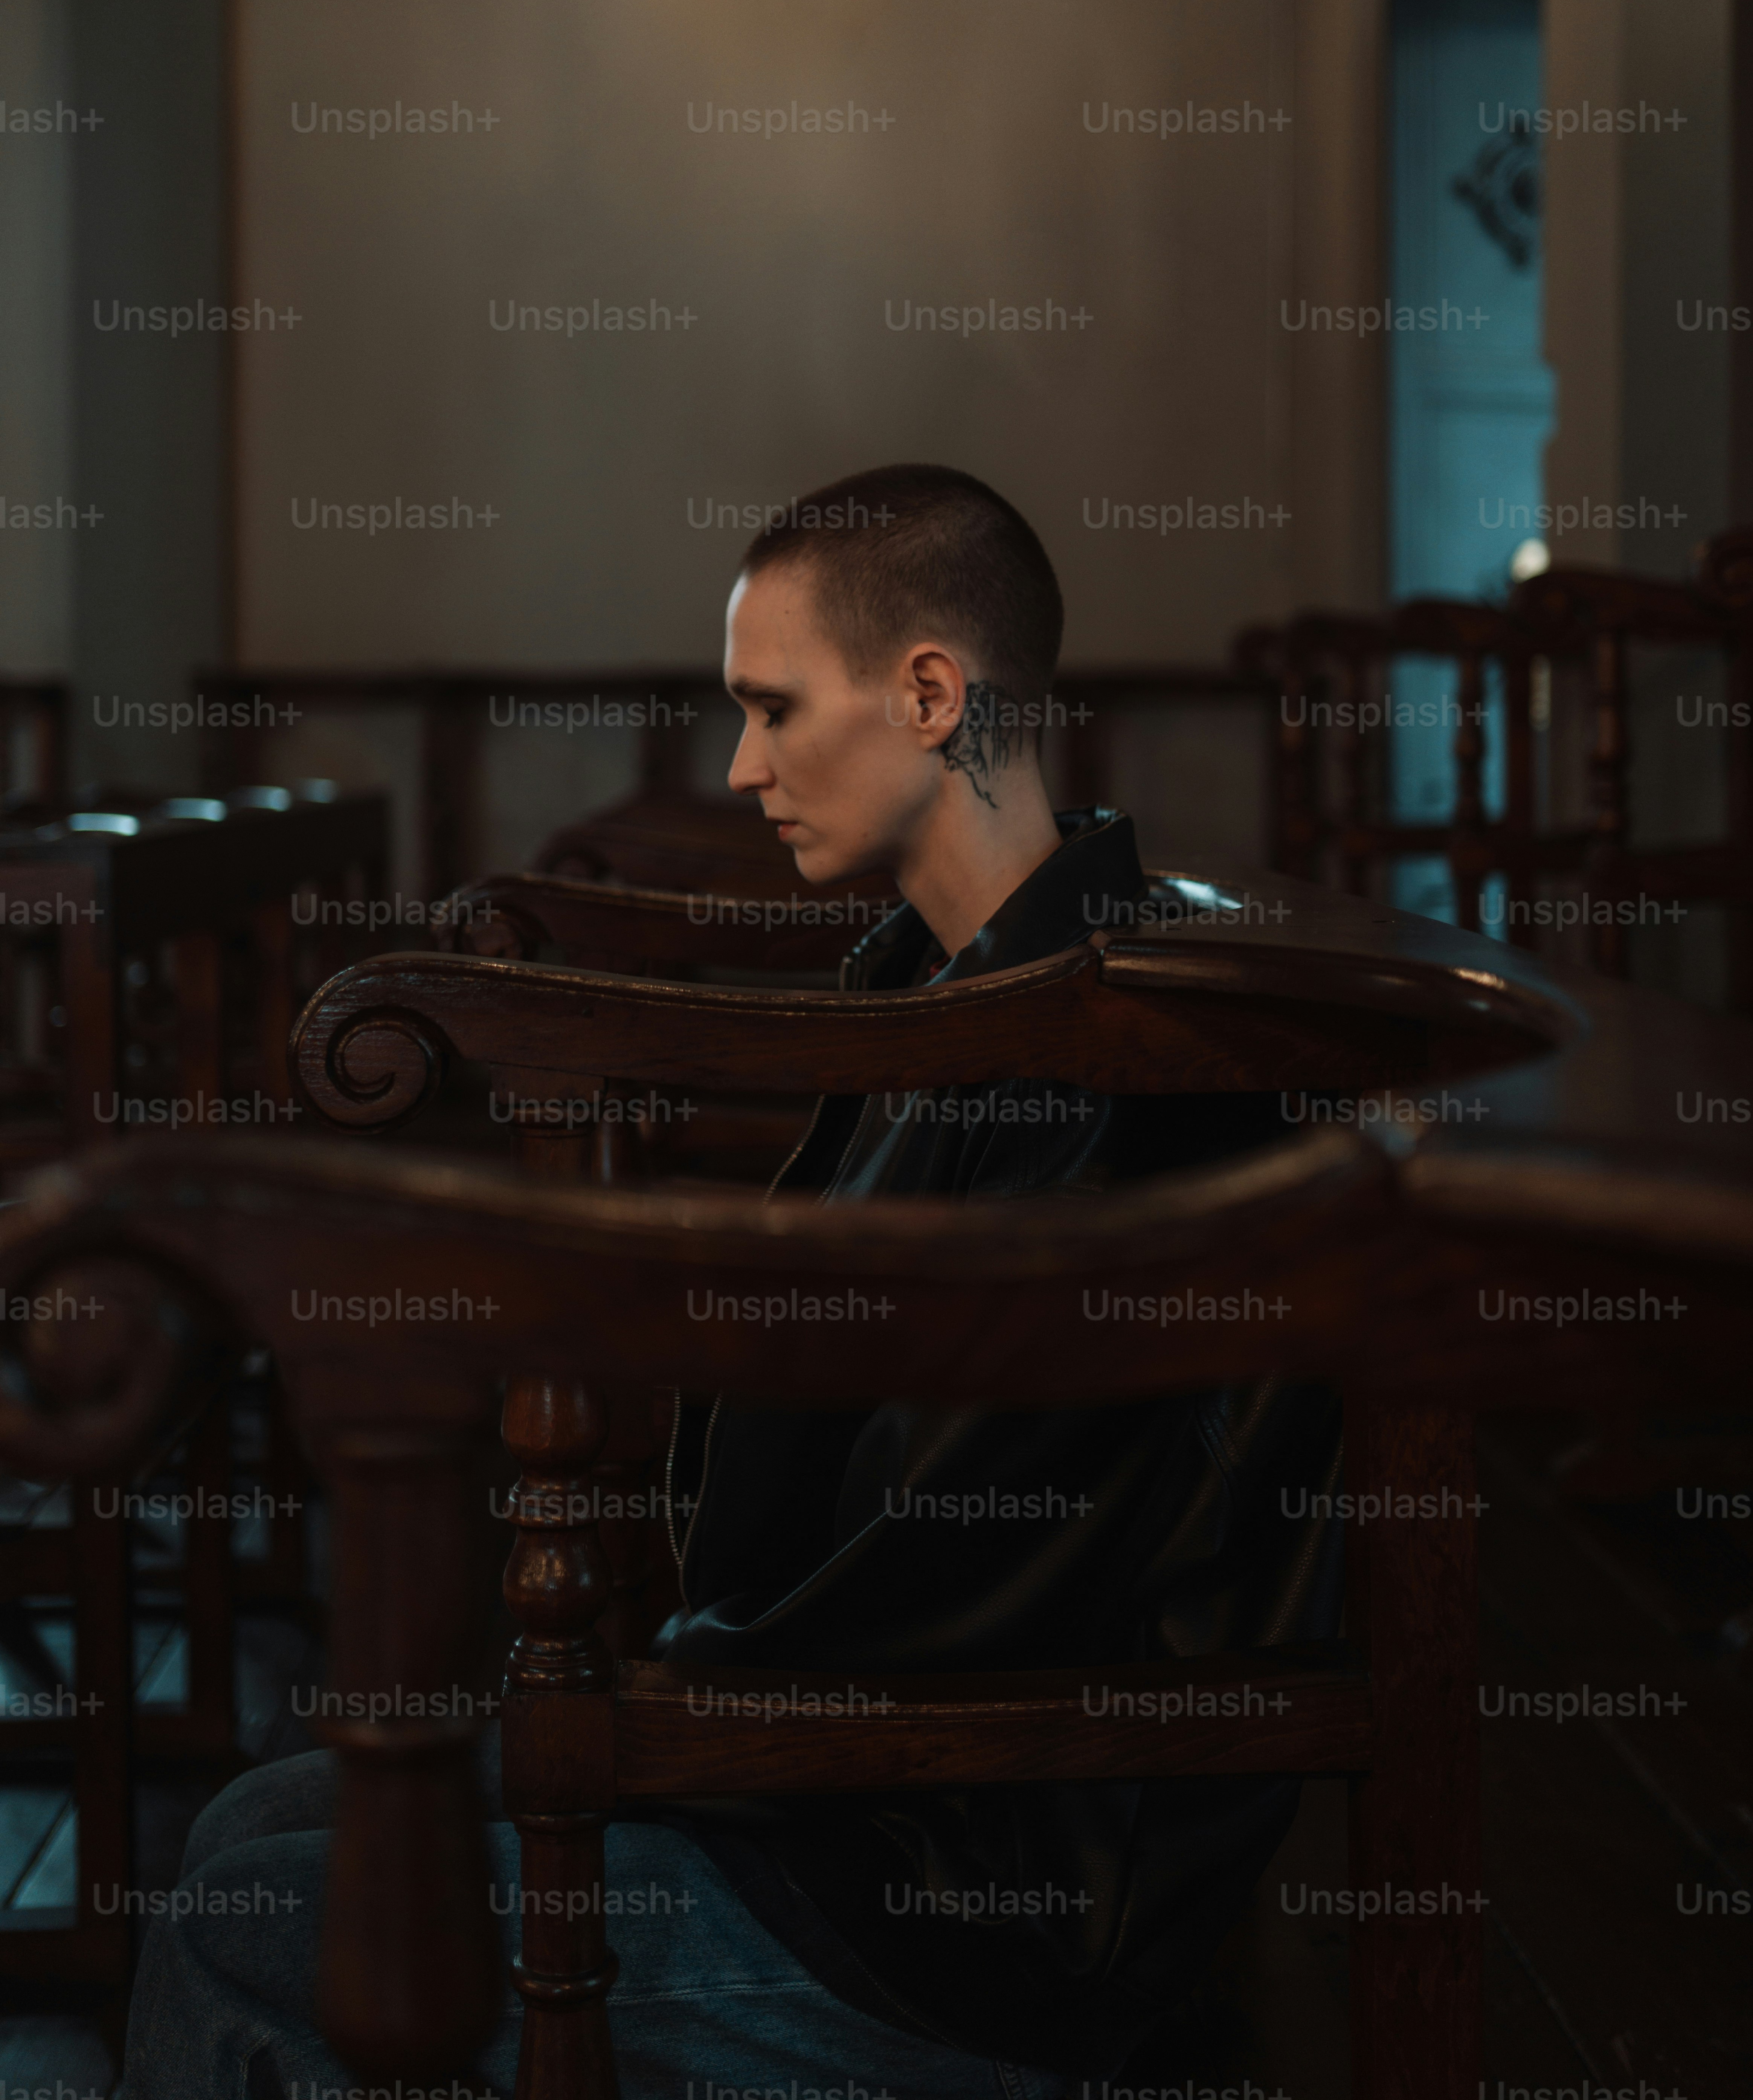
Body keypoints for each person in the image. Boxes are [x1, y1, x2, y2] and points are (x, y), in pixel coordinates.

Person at [121, 464, 1340, 2100]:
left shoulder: (1088, 1058)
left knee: (245, 1915)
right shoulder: (945, 980)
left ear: (928, 694)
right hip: (849, 1799)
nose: (742, 766)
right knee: (248, 1822)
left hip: (944, 1902)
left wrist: (638, 1730)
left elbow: (954, 1584)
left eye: (772, 709)